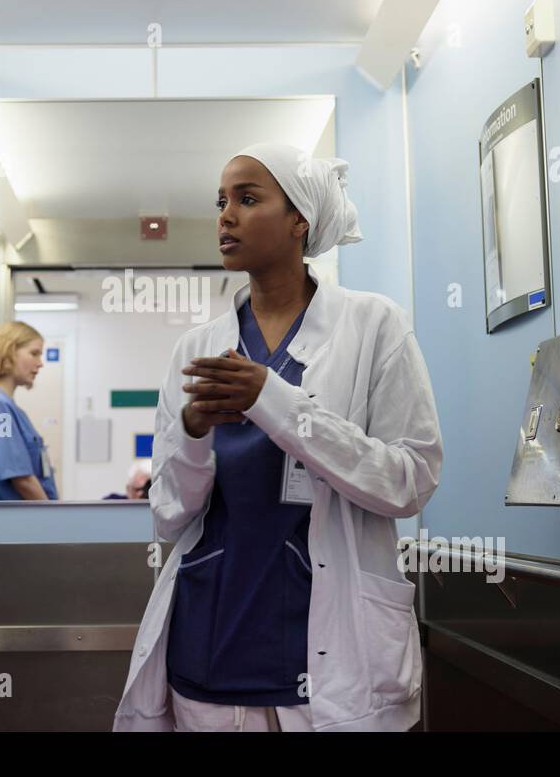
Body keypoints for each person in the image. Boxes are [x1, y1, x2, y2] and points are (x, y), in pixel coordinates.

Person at [113, 143, 443, 732]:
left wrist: (274, 400)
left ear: (300, 221)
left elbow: (409, 481)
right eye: (221, 201)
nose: (225, 216)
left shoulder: (373, 325)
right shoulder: (197, 349)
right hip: (210, 649)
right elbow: (167, 515)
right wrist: (191, 433)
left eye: (247, 198)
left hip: (333, 664)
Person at [0, 321, 60, 501]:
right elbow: (21, 478)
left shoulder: (7, 406)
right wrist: (52, 518)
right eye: (34, 353)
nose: (40, 363)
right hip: (22, 521)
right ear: (9, 351)